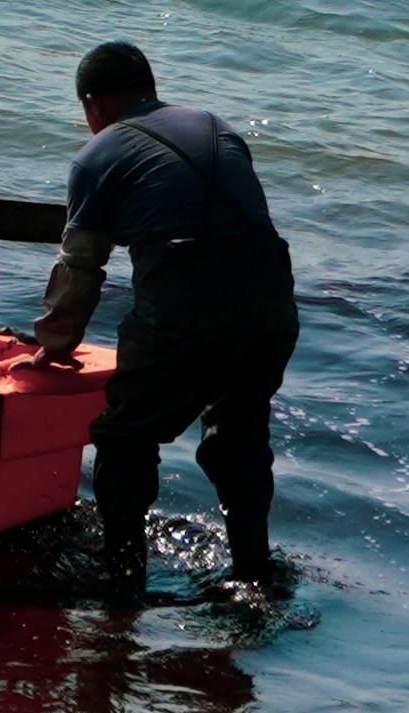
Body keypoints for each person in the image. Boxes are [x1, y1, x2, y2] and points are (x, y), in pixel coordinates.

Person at [35, 40, 300, 595]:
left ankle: (123, 579)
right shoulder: (215, 128)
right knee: (240, 435)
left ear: (93, 105)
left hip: (186, 306)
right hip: (273, 301)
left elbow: (80, 267)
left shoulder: (98, 153)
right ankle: (254, 569)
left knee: (124, 437)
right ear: (149, 90)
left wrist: (55, 346)